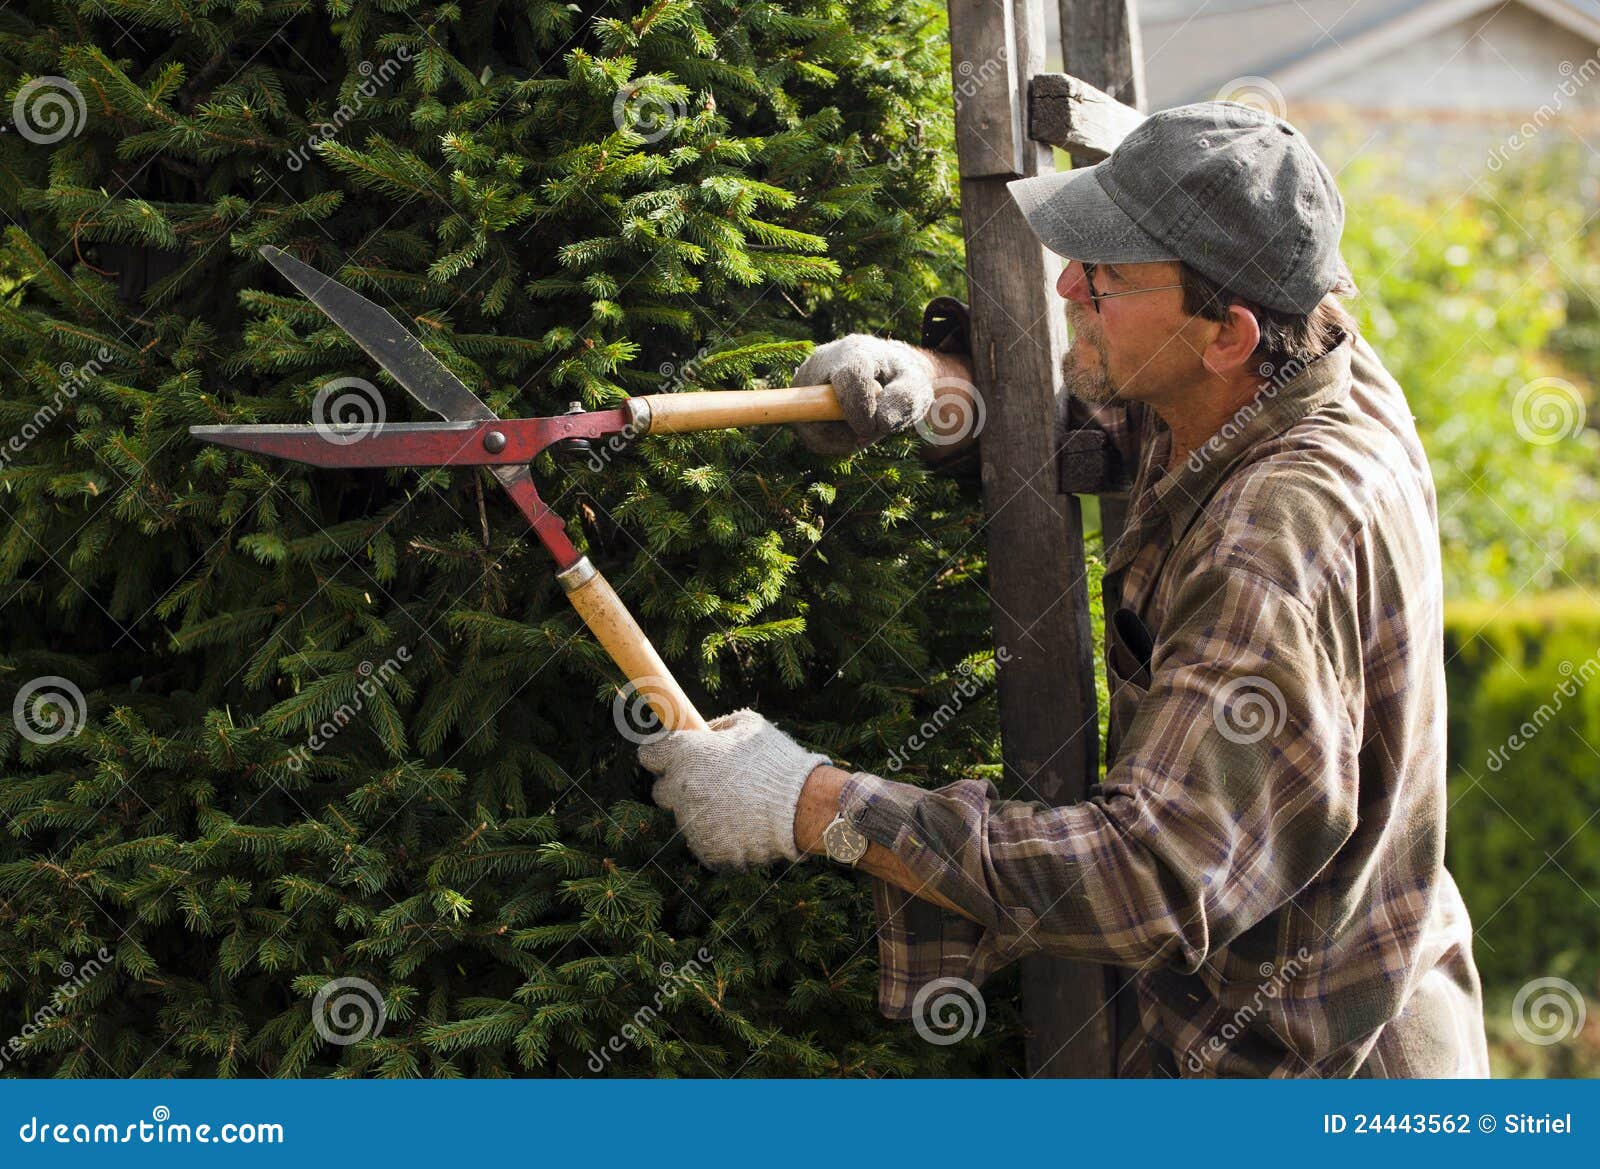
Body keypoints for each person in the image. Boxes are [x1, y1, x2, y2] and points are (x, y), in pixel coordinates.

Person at [638, 102, 1491, 1077]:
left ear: (1228, 333)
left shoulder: (1274, 538)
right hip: (1377, 989)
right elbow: (1130, 410)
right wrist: (942, 388)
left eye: (1108, 279)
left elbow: (1152, 877)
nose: (1065, 284)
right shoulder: (1292, 353)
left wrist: (814, 802)